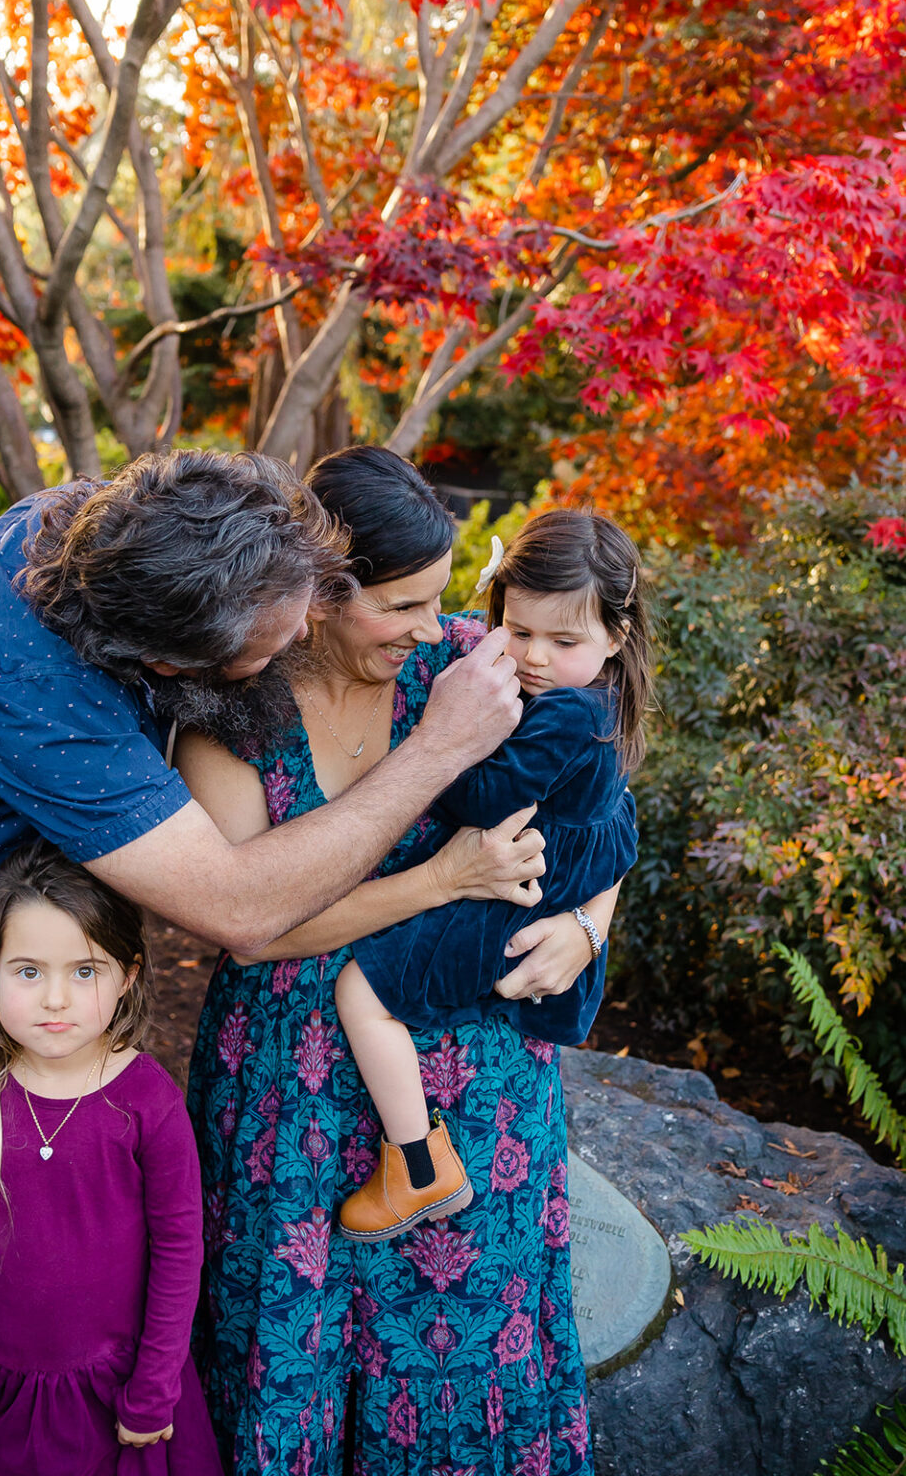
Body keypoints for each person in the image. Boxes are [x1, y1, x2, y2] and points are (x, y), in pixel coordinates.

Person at [0, 450, 525, 1476]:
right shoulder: (28, 690)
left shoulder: (106, 530)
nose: (298, 640)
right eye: (272, 645)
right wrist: (437, 751)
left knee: (42, 1285)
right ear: (171, 667)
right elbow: (238, 909)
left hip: (59, 974)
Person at [178, 446, 618, 1476]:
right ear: (315, 596)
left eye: (438, 602)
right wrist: (442, 879)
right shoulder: (229, 722)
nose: (436, 627)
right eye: (403, 605)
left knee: (470, 1366)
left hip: (476, 1099)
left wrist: (587, 925)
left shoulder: (466, 664)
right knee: (290, 1359)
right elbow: (251, 925)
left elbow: (603, 802)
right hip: (288, 1098)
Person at [335, 509, 653, 1241]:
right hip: (548, 883)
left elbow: (481, 799)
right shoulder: (597, 699)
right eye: (520, 629)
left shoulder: (565, 716)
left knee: (362, 993)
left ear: (616, 636)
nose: (534, 656)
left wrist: (440, 748)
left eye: (563, 640)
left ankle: (417, 1168)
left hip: (519, 889)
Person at [0, 841, 222, 1476]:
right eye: (28, 971)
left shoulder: (148, 1103)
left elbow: (179, 1252)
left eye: (84, 971)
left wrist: (152, 1390)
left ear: (128, 977)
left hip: (114, 1395)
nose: (54, 999)